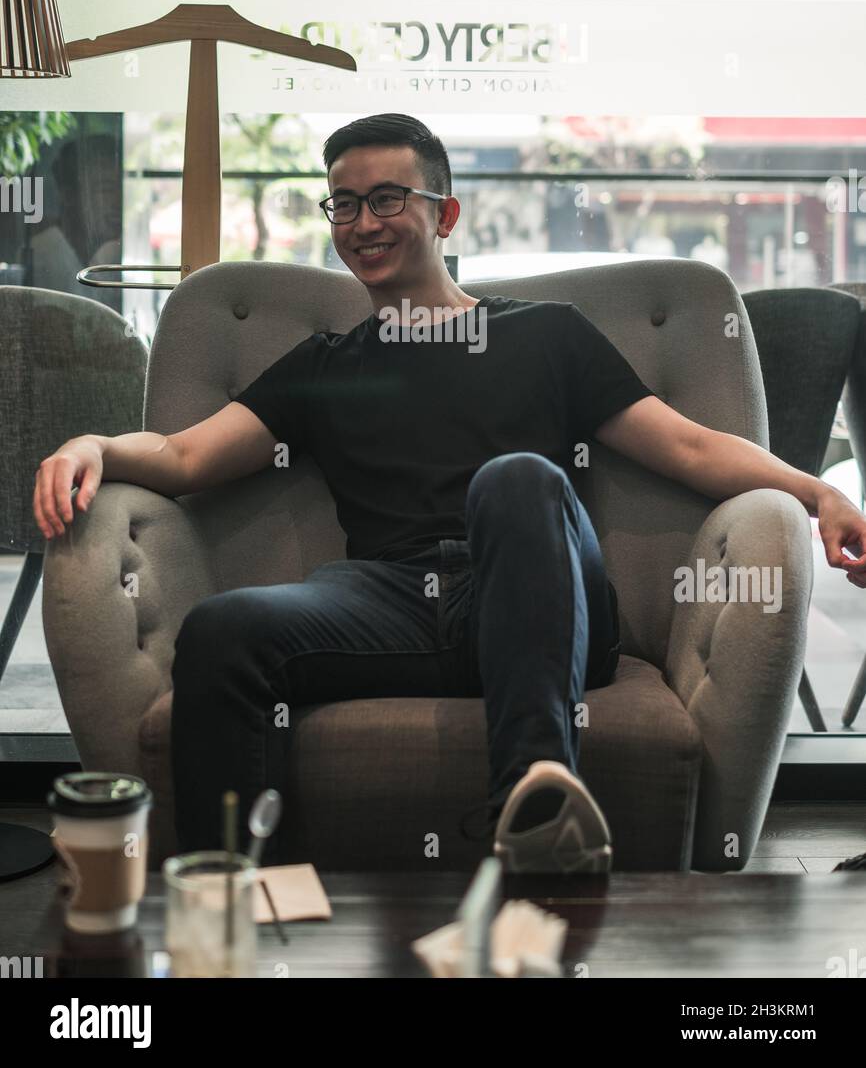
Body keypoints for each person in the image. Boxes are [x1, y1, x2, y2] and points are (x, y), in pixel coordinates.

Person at [33, 113, 866, 875]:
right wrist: (91, 444)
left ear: (446, 213)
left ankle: (537, 806)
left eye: (387, 198)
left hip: (537, 587)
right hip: (387, 603)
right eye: (344, 205)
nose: (363, 224)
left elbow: (687, 445)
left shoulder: (547, 336)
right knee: (222, 629)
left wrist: (812, 492)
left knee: (516, 480)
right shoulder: (326, 366)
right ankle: (240, 895)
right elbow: (181, 456)